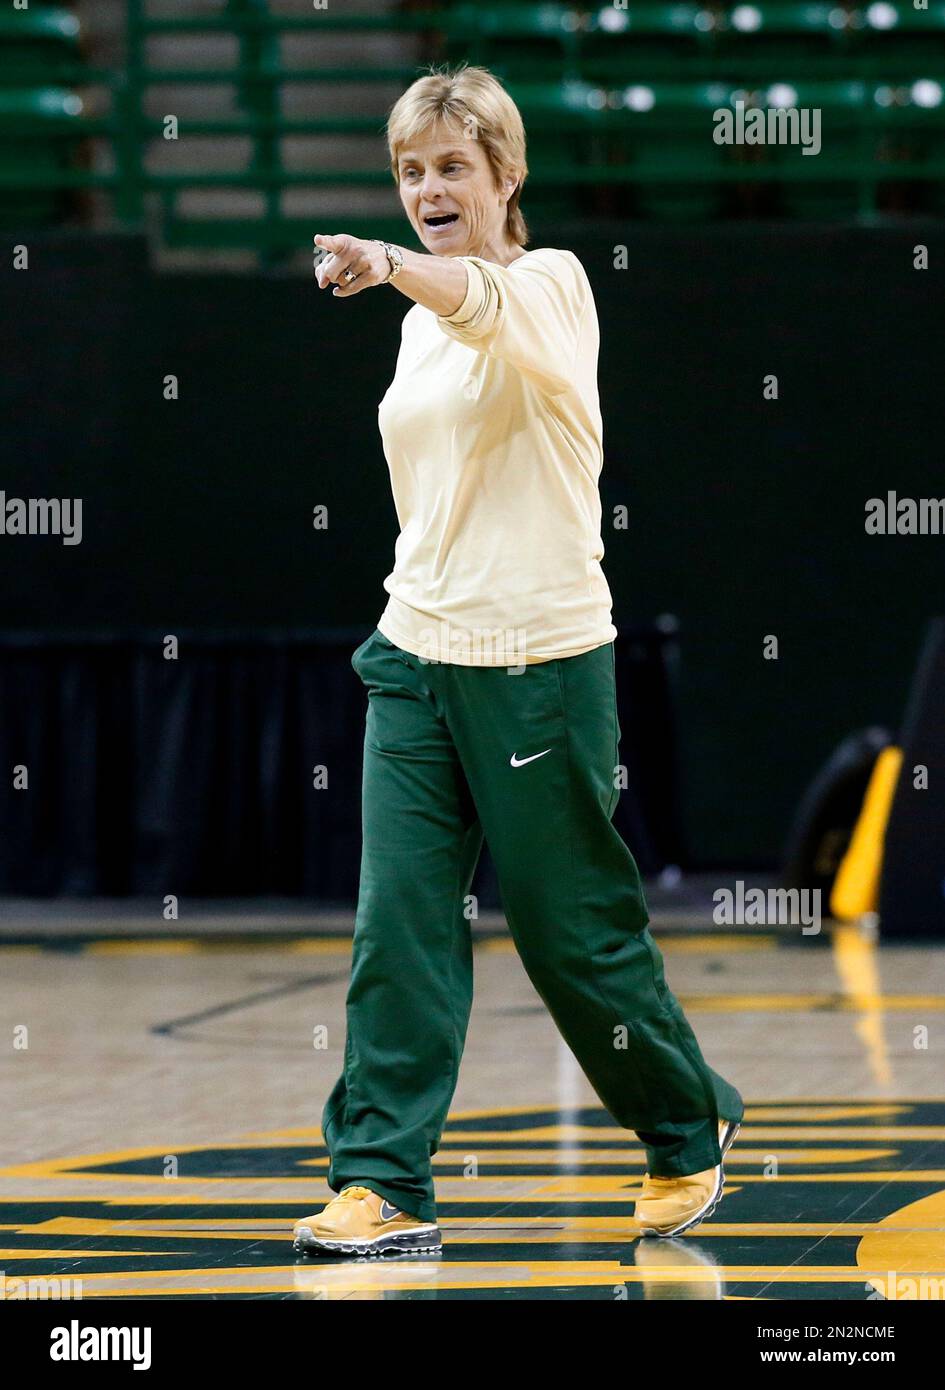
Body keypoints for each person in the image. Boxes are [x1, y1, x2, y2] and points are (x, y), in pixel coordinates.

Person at [293, 63, 743, 1258]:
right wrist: (403, 280)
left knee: (570, 930)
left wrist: (393, 263)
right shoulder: (413, 330)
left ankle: (683, 1124)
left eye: (452, 166)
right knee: (399, 925)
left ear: (506, 173)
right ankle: (383, 1178)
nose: (428, 189)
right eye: (409, 172)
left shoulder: (550, 286)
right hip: (413, 656)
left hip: (540, 662)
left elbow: (480, 304)